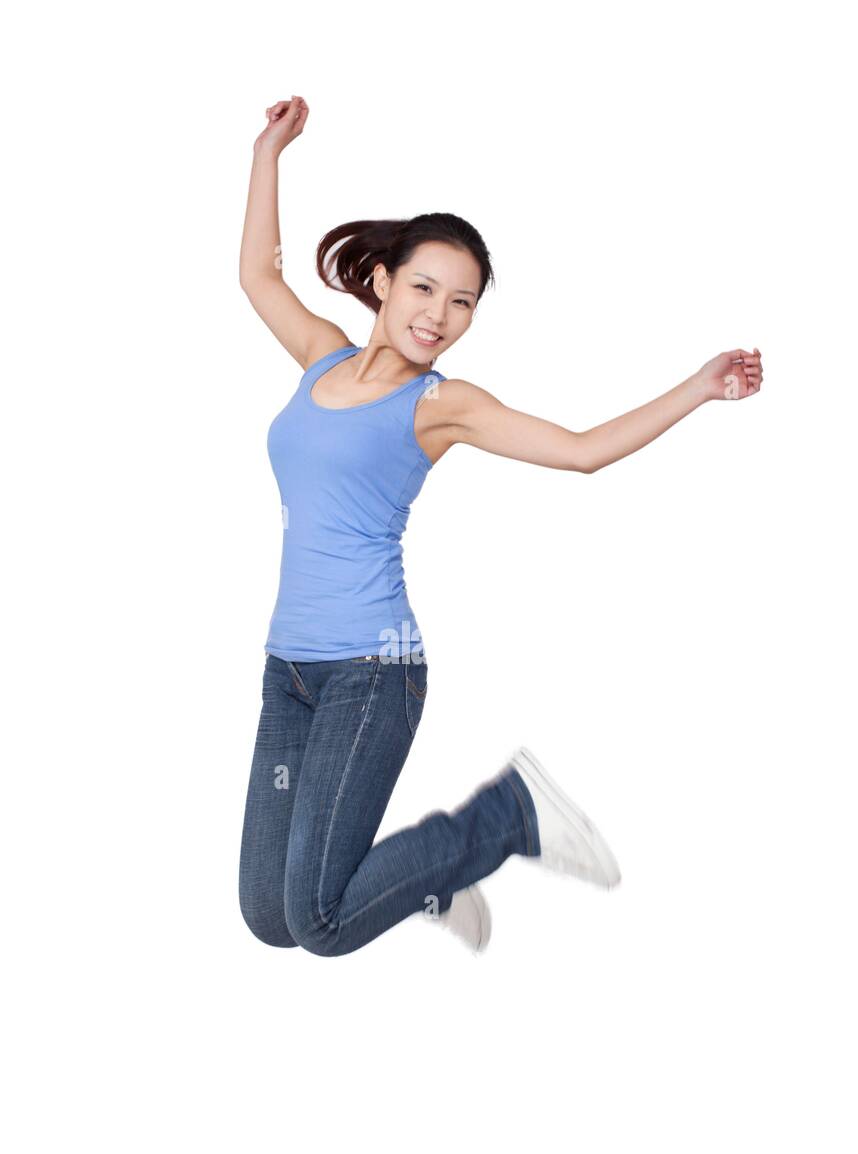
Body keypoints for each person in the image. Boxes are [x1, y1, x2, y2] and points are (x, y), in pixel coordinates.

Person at [237, 96, 764, 958]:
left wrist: (698, 387)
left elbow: (584, 450)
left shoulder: (442, 405)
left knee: (321, 924)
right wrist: (269, 153)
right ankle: (426, 883)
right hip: (288, 670)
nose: (439, 315)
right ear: (381, 281)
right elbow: (259, 275)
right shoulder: (322, 356)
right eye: (423, 288)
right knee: (271, 916)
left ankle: (506, 816)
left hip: (373, 671)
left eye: (462, 303)